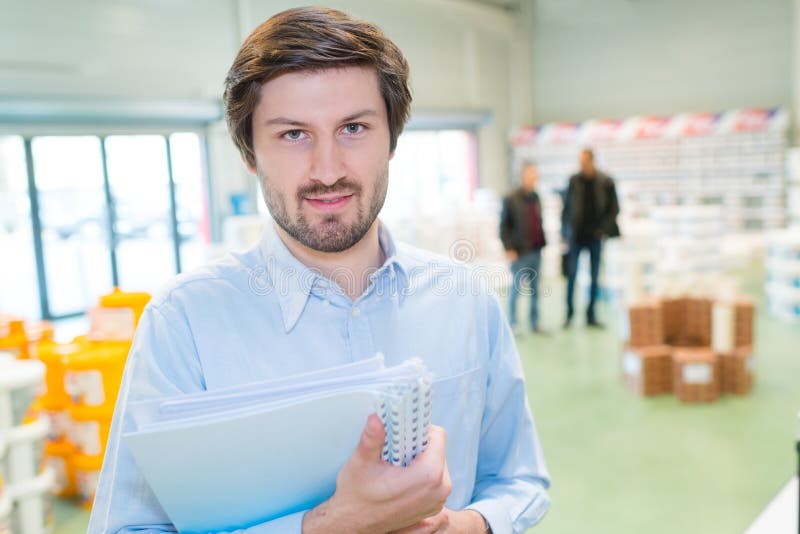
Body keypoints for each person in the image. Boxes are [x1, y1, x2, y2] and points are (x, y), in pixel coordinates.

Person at [88, 7, 550, 534]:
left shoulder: (465, 299)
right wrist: (327, 526)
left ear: (392, 140)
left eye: (353, 127)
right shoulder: (184, 324)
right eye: (293, 135)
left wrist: (468, 526)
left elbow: (520, 480)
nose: (327, 170)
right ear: (249, 153)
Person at [561, 148, 619, 328]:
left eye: (585, 160)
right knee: (572, 276)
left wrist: (603, 229)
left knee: (594, 277)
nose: (582, 164)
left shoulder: (605, 182)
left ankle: (591, 315)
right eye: (580, 161)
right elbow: (566, 208)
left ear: (592, 161)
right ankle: (569, 315)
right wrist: (564, 232)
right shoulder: (573, 181)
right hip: (576, 237)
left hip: (595, 237)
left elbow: (614, 208)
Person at [500, 162, 547, 335]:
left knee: (535, 290)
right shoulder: (511, 198)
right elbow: (504, 226)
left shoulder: (536, 197)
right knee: (516, 289)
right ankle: (512, 324)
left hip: (536, 250)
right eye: (530, 174)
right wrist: (509, 248)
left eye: (535, 174)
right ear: (522, 176)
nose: (533, 178)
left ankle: (535, 323)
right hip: (519, 252)